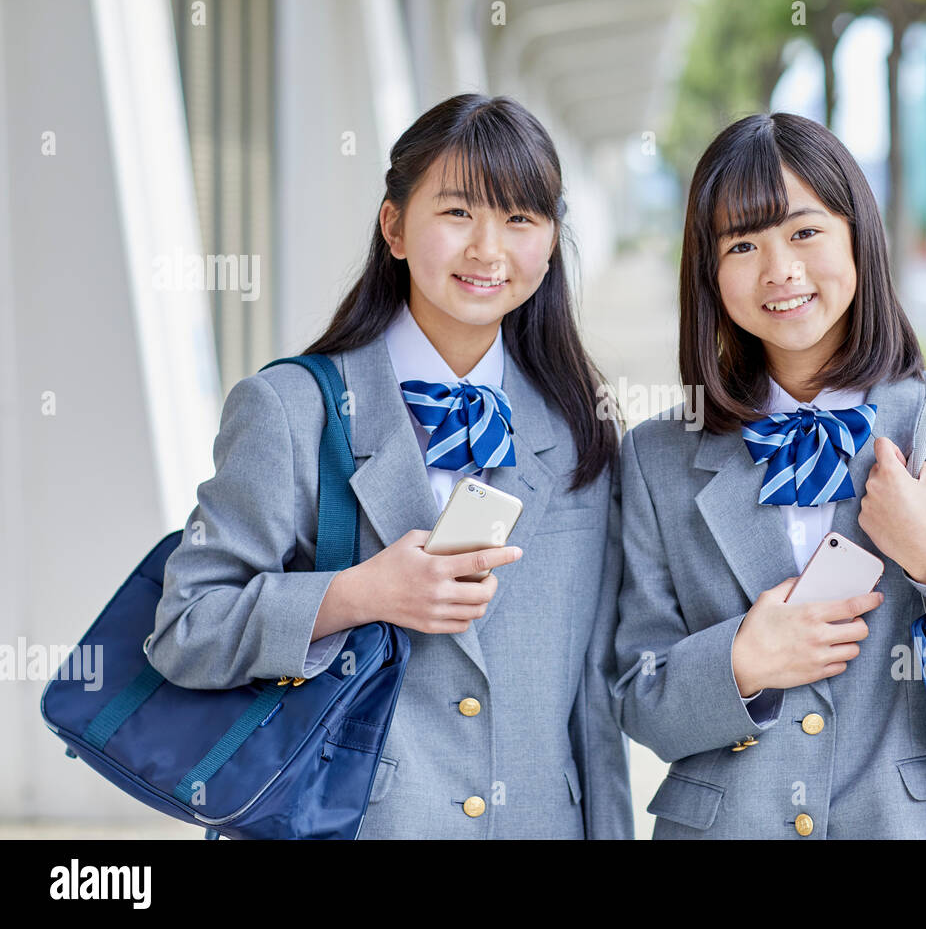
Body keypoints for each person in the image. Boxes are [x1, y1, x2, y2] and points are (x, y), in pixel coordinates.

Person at [150, 93, 633, 839]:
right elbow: (187, 628)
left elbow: (593, 700)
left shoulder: (580, 430)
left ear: (551, 238)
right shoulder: (290, 409)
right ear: (395, 226)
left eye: (520, 219)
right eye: (457, 212)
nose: (487, 250)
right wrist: (355, 594)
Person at [613, 112, 926, 839]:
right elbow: (637, 695)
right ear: (708, 273)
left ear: (858, 235)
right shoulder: (655, 457)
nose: (780, 270)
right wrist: (740, 662)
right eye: (743, 243)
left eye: (804, 232)